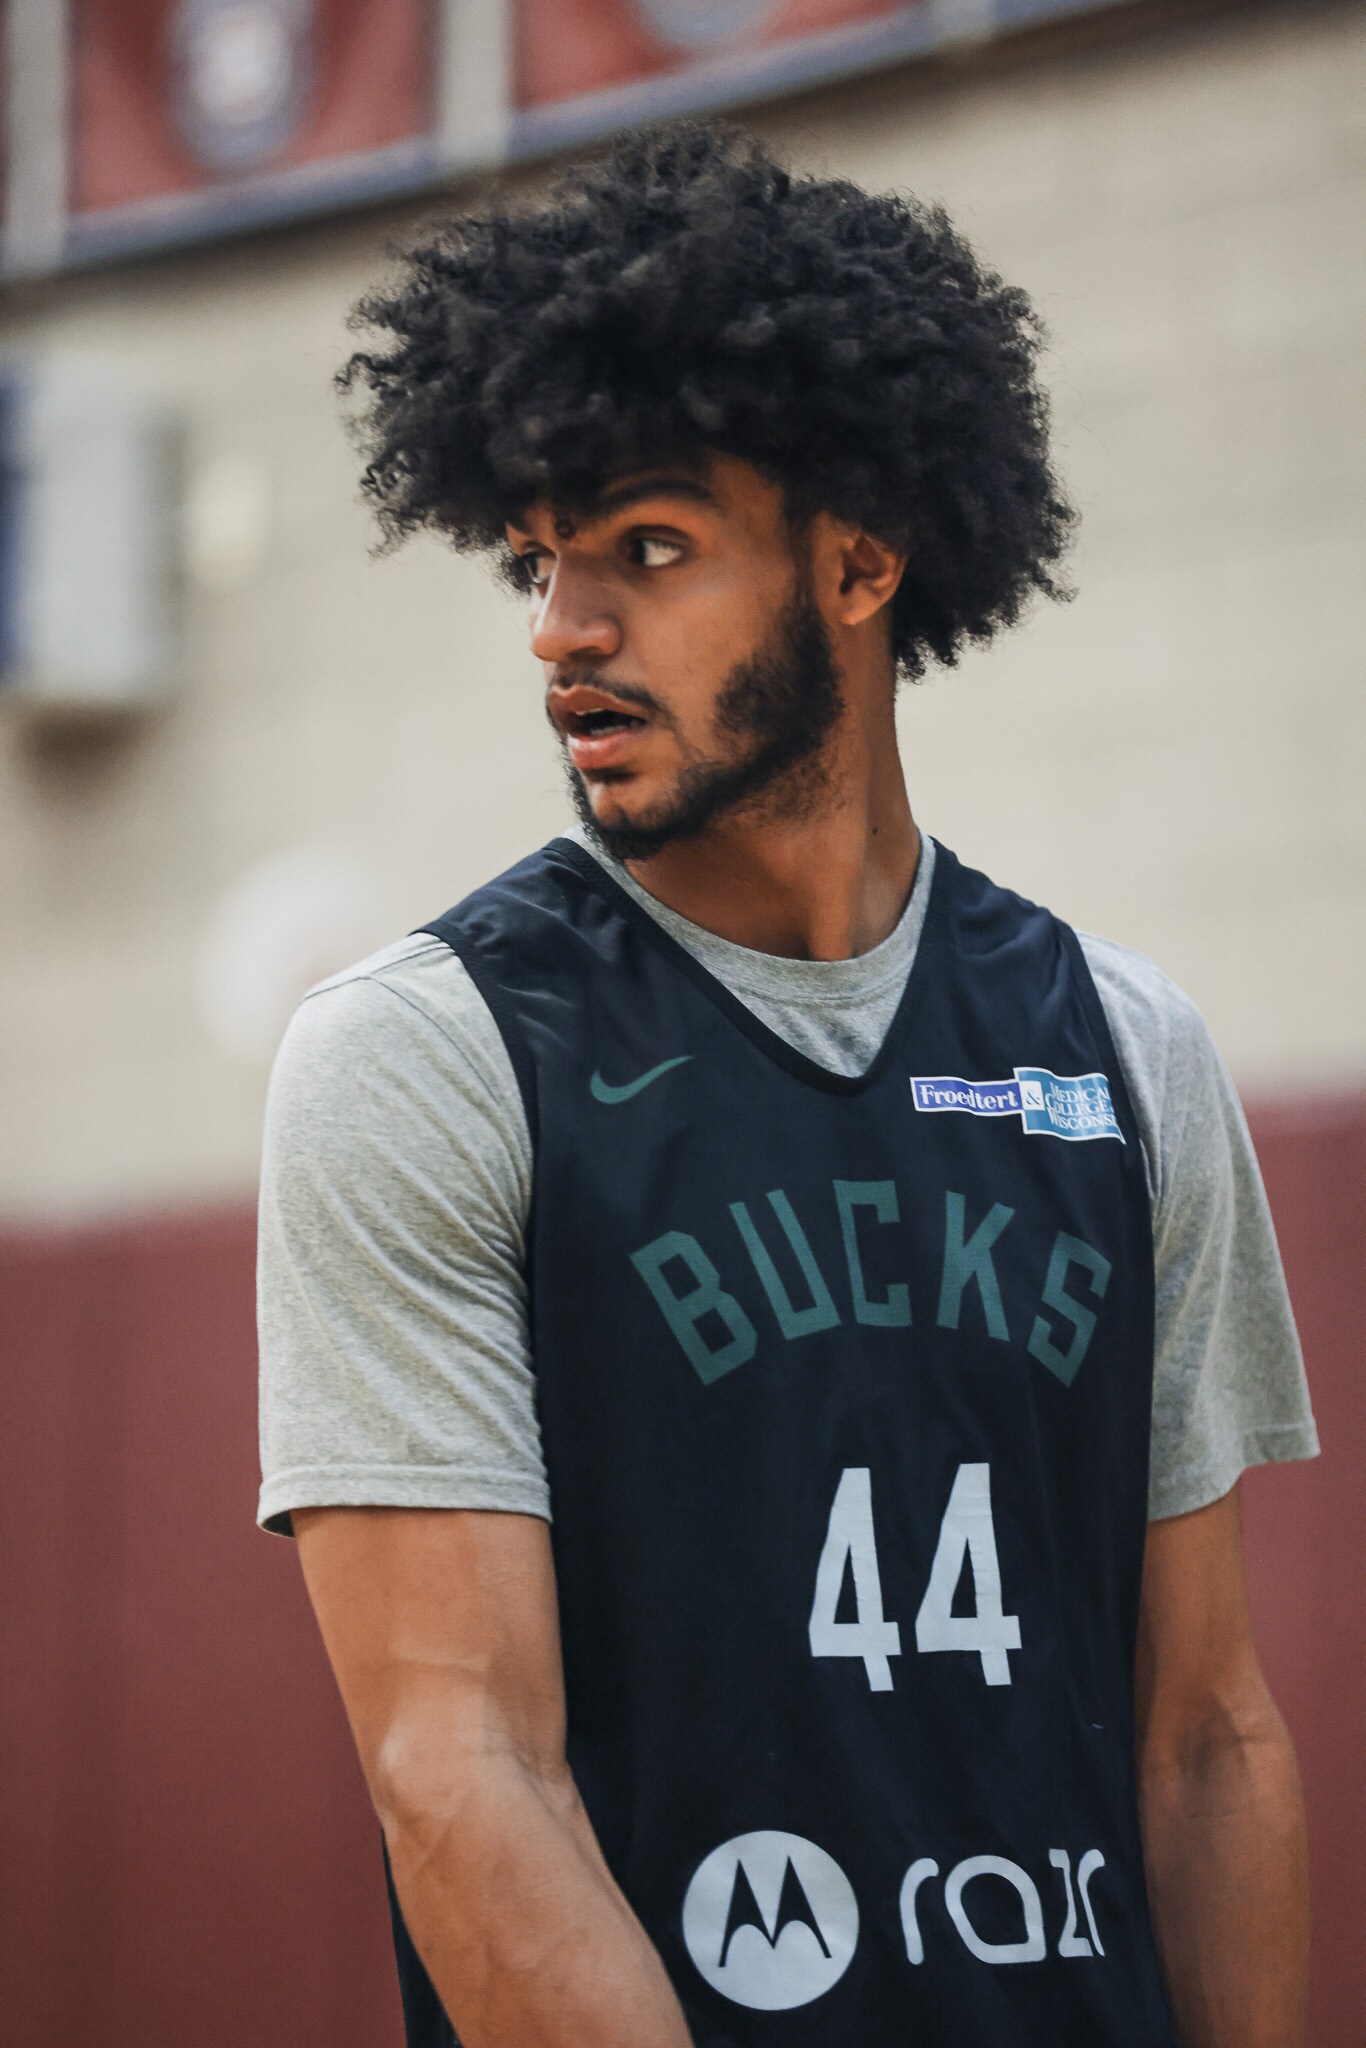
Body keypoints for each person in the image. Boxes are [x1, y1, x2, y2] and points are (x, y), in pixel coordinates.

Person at [256, 124, 1319, 2048]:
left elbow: (1205, 1736)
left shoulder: (1120, 1047)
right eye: (538, 560)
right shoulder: (428, 1055)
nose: (562, 629)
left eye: (648, 550)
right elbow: (462, 1773)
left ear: (857, 561)